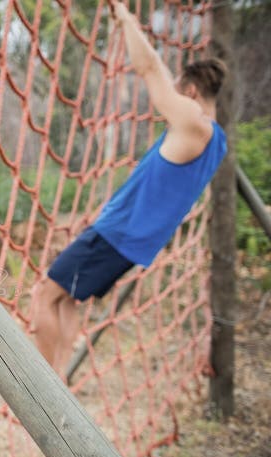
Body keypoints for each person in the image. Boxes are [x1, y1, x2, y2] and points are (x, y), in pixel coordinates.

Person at [32, 1, 227, 371]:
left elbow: (151, 68)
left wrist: (125, 17)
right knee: (67, 299)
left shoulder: (193, 122)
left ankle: (43, 393)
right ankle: (59, 385)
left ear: (190, 92)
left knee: (44, 295)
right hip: (125, 236)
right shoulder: (217, 140)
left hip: (119, 236)